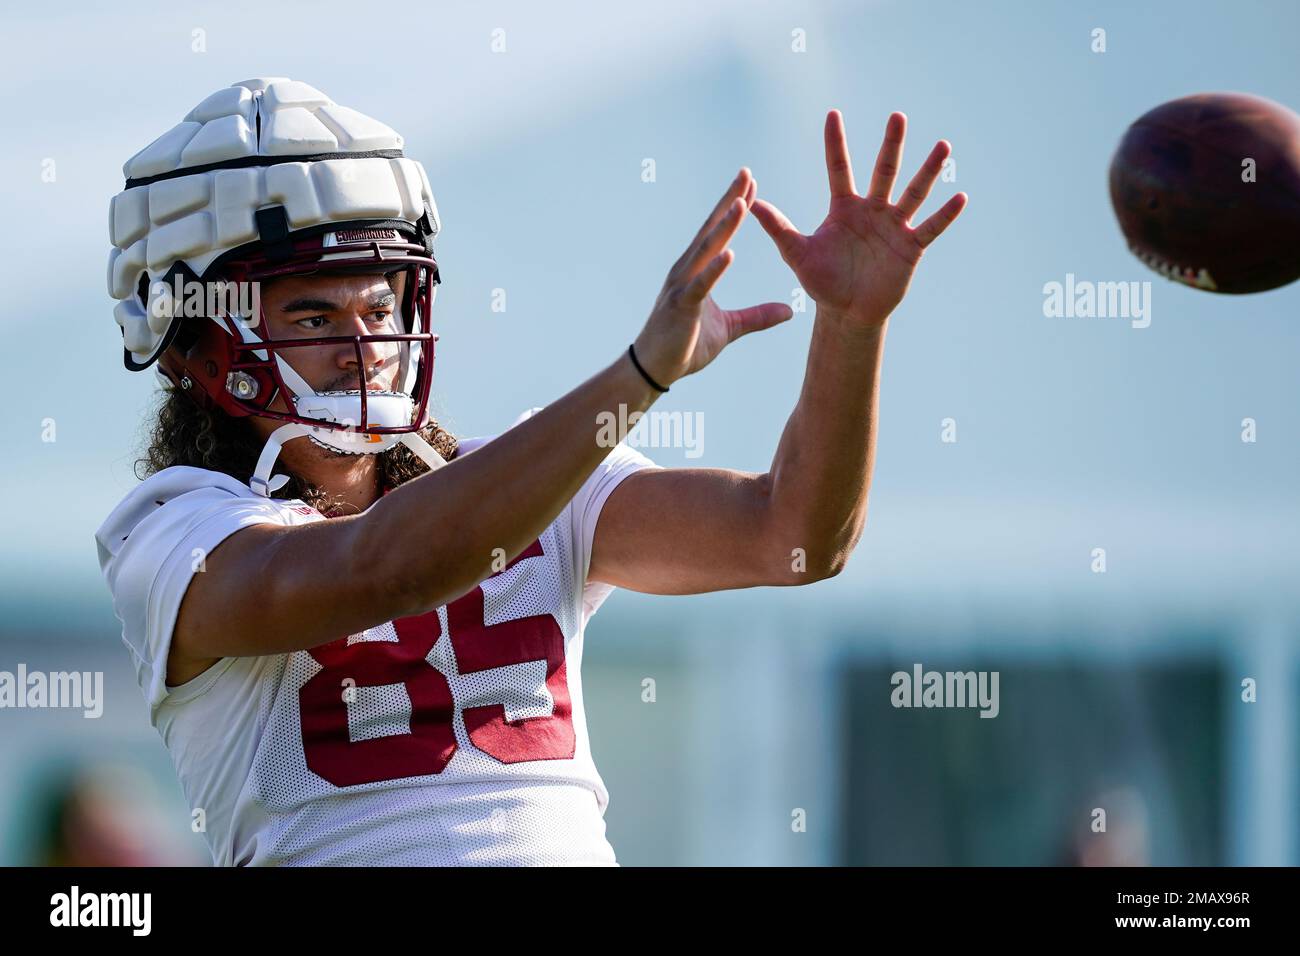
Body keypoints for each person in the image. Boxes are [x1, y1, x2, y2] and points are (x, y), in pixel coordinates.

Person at [94, 77, 966, 865]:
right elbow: (384, 565)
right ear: (191, 344)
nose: (365, 350)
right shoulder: (174, 531)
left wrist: (852, 327)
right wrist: (638, 375)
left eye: (380, 305)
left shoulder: (533, 481)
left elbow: (795, 538)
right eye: (314, 314)